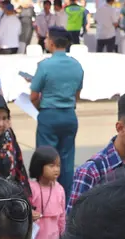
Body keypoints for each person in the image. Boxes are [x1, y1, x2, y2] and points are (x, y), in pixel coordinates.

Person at [31, 28, 83, 193]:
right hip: (69, 115)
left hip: (49, 115)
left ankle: (46, 198)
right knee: (66, 162)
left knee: (46, 160)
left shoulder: (45, 65)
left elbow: (33, 96)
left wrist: (40, 107)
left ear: (52, 43)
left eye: (46, 38)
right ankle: (65, 202)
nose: (45, 41)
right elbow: (77, 95)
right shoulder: (76, 65)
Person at [28, 146, 65, 239]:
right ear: (39, 166)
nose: (56, 169)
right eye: (51, 165)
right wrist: (29, 214)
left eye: (58, 165)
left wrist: (64, 238)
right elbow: (22, 211)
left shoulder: (60, 189)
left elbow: (61, 217)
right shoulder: (31, 188)